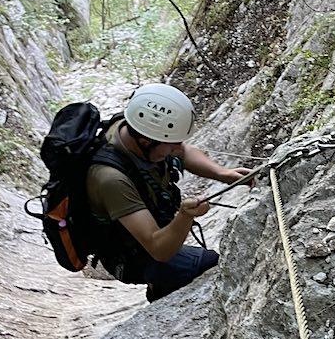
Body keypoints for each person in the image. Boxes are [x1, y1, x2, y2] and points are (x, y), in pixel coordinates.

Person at [86, 84, 252, 302]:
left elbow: (182, 152)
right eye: (172, 144)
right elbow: (159, 249)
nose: (178, 148)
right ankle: (162, 289)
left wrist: (224, 174)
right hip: (130, 256)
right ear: (145, 142)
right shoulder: (111, 179)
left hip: (150, 229)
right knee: (209, 263)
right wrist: (185, 216)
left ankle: (163, 286)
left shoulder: (135, 130)